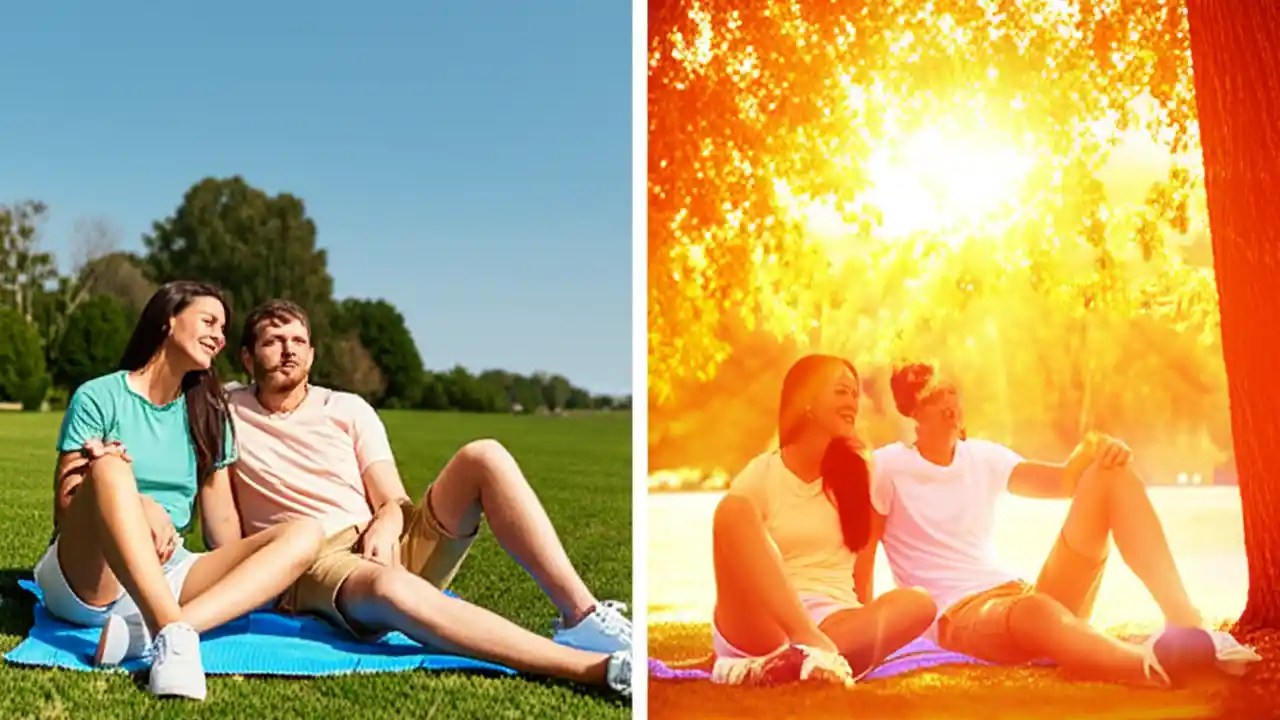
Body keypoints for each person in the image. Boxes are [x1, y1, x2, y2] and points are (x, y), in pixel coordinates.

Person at [204, 299, 632, 696]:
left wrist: (387, 524)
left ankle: (581, 617)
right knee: (387, 585)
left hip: (385, 539)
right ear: (246, 357)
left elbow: (392, 498)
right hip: (313, 559)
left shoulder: (348, 409)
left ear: (312, 355)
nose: (288, 351)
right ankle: (587, 666)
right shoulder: (222, 411)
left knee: (483, 455)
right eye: (273, 342)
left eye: (298, 341)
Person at [871, 361, 1261, 687]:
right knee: (1037, 611)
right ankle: (1149, 668)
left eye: (951, 391)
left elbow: (1063, 482)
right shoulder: (888, 467)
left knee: (1110, 475)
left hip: (1020, 599)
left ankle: (1189, 626)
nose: (949, 403)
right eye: (935, 397)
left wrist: (1096, 448)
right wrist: (855, 632)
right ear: (914, 411)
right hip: (961, 614)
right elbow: (862, 547)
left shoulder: (983, 457)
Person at [33, 281, 325, 701]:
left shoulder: (208, 412)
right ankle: (172, 634)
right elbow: (66, 509)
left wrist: (251, 576)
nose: (219, 336)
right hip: (88, 577)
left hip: (169, 571)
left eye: (223, 329)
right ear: (168, 321)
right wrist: (141, 505)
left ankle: (156, 629)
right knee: (110, 467)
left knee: (304, 534)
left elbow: (221, 527)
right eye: (209, 321)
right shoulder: (99, 396)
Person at [709, 354, 937, 687]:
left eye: (855, 394)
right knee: (732, 511)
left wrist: (869, 626)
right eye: (841, 391)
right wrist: (805, 632)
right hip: (766, 625)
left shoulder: (862, 473)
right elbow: (734, 538)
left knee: (919, 602)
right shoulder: (764, 473)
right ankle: (808, 649)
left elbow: (863, 571)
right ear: (806, 402)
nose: (852, 402)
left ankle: (791, 661)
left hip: (835, 622)